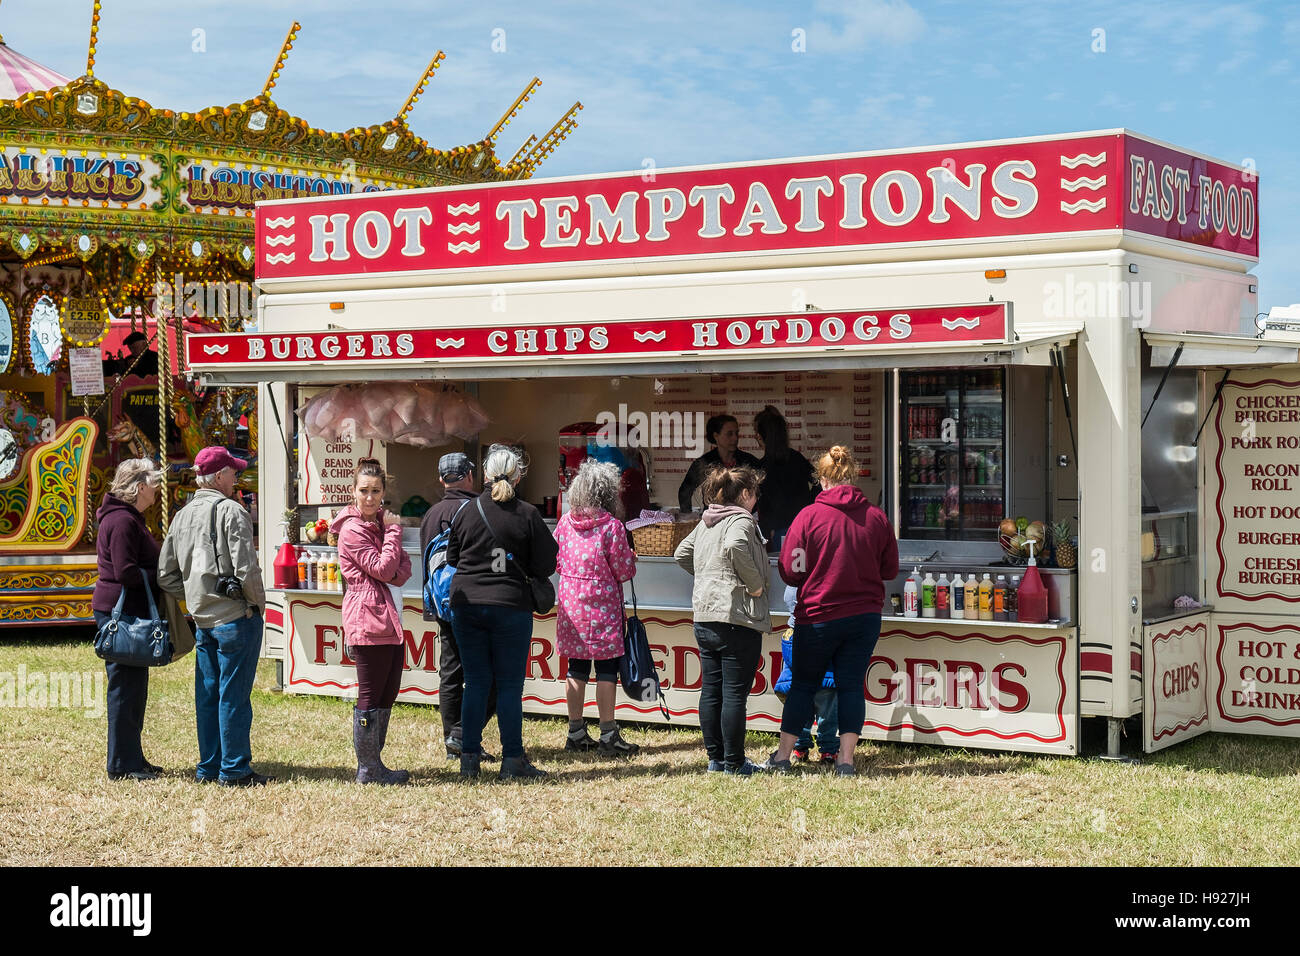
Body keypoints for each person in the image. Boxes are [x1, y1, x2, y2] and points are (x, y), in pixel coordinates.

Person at [766, 445, 898, 776]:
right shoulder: (876, 517)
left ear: (822, 479)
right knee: (851, 685)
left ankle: (783, 757)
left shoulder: (808, 517)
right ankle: (846, 761)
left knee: (803, 685)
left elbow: (789, 570)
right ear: (852, 476)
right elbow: (890, 568)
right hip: (864, 617)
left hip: (818, 616)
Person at [158, 447, 272, 787]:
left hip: (203, 619)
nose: (236, 478)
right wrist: (257, 605)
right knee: (233, 696)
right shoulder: (232, 512)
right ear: (219, 476)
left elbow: (165, 575)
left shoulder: (181, 515)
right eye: (233, 472)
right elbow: (246, 568)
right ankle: (235, 769)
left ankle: (209, 766)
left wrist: (194, 594)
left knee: (208, 697)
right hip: (235, 617)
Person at [446, 444, 558, 781]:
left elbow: (453, 559)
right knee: (509, 686)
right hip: (511, 606)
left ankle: (469, 759)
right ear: (519, 475)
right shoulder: (526, 514)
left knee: (476, 682)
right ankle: (512, 760)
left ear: (484, 475)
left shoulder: (466, 512)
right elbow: (546, 563)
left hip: (467, 605)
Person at [673, 464, 770, 776]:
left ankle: (716, 759)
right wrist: (754, 584)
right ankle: (734, 763)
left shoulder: (707, 521)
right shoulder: (741, 520)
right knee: (733, 695)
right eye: (755, 493)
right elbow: (735, 546)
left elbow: (681, 554)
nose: (757, 500)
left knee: (712, 690)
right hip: (735, 617)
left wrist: (707, 576)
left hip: (705, 616)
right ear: (744, 494)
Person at [332, 457, 413, 785]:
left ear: (383, 493)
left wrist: (390, 553)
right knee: (369, 695)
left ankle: (375, 761)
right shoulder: (352, 530)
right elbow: (382, 568)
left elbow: (402, 569)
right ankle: (367, 768)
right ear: (353, 492)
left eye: (375, 490)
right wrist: (393, 533)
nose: (369, 497)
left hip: (388, 617)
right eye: (363, 490)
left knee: (388, 691)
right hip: (367, 619)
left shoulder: (379, 525)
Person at [555, 459, 639, 757]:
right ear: (608, 494)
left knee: (576, 668)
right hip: (602, 608)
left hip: (570, 607)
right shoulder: (612, 527)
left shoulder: (566, 523)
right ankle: (608, 734)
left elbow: (556, 560)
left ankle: (576, 731)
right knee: (606, 670)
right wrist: (631, 556)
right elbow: (624, 571)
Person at [419, 451, 496, 761]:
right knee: (488, 673)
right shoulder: (476, 508)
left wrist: (432, 606)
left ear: (441, 480)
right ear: (469, 475)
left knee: (450, 671)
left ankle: (453, 740)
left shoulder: (430, 514)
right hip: (475, 602)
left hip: (443, 604)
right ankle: (463, 734)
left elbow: (427, 565)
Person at [92, 458, 166, 781]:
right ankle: (122, 764)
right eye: (154, 483)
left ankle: (132, 757)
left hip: (127, 612)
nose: (157, 488)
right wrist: (160, 574)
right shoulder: (122, 522)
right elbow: (125, 572)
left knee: (134, 688)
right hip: (121, 614)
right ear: (139, 487)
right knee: (124, 689)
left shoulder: (127, 518)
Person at [773, 585, 838, 764]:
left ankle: (799, 747)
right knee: (828, 711)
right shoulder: (823, 583)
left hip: (798, 651)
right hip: (824, 651)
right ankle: (829, 750)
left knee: (800, 707)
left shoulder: (793, 586)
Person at [753, 405, 817, 551]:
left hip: (777, 532)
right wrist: (809, 508)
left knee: (780, 572)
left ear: (761, 436)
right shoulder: (796, 458)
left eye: (756, 432)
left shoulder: (762, 467)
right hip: (803, 527)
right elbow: (819, 482)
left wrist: (771, 525)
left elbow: (766, 504)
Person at [677, 414, 761, 512]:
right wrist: (687, 515)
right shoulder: (705, 462)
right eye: (729, 434)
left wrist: (752, 513)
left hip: (741, 520)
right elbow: (684, 492)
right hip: (713, 521)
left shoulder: (749, 461)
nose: (735, 438)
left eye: (736, 433)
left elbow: (762, 493)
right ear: (716, 436)